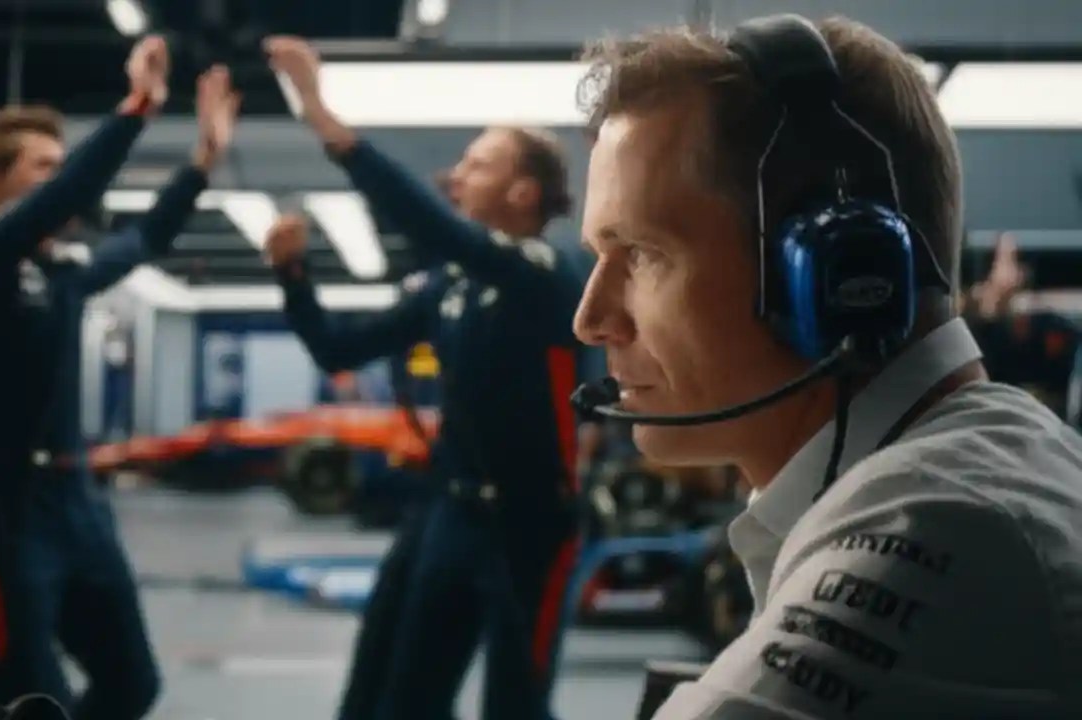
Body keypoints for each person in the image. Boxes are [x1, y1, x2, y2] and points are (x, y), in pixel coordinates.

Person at [573, 13, 1082, 719]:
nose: (591, 317)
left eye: (642, 254)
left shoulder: (941, 521)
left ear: (833, 272)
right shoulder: (990, 460)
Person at [264, 35, 584, 720]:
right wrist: (293, 278)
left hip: (531, 523)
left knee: (516, 708)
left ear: (523, 191)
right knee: (405, 701)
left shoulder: (543, 275)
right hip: (450, 512)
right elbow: (338, 351)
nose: (456, 175)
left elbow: (436, 227)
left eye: (478, 163)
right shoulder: (450, 287)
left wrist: (325, 119)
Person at [0, 36, 241, 719]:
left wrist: (201, 164)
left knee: (133, 685)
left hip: (76, 500)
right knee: (30, 695)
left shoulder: (60, 272)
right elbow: (69, 194)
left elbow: (143, 240)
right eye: (42, 165)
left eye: (59, 163)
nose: (60, 176)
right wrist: (136, 110)